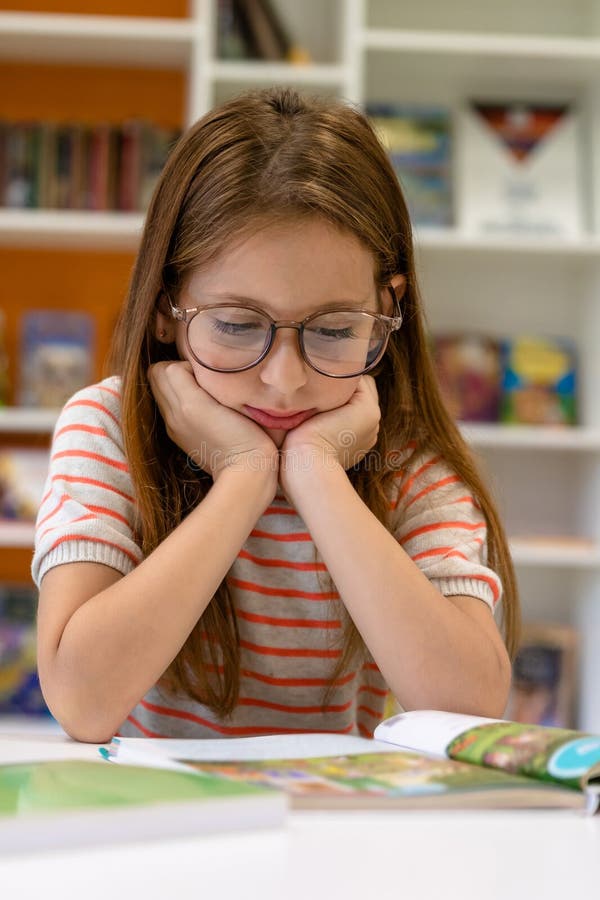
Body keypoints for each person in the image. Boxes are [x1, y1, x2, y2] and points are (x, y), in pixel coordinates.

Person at [33, 88, 520, 743]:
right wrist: (245, 476)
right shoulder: (106, 429)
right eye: (236, 324)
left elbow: (469, 708)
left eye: (333, 329)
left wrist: (317, 474)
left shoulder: (409, 459)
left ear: (388, 305)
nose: (284, 380)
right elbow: (80, 699)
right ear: (163, 306)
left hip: (336, 833)